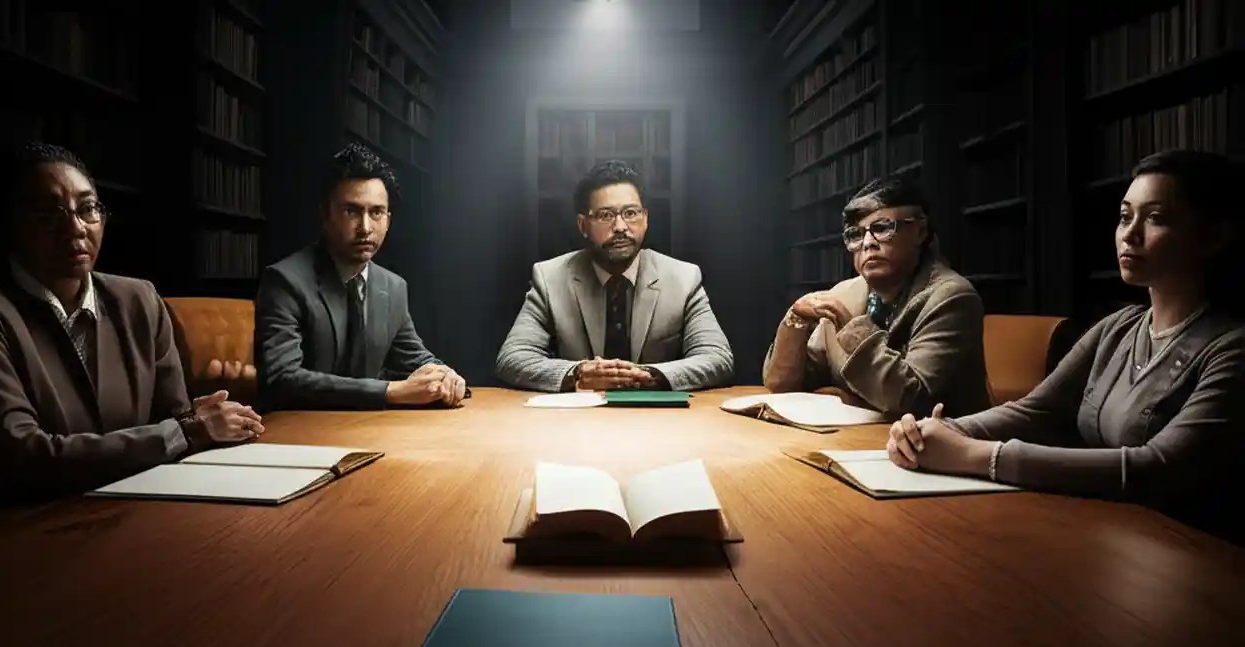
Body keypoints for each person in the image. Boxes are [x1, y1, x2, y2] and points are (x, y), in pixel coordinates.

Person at [887, 150, 1245, 542]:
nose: (1130, 233)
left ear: (1213, 236)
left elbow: (1159, 469)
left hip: (1189, 554)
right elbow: (1036, 410)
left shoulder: (1230, 349)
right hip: (1103, 532)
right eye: (1125, 217)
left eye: (1155, 218)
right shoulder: (1119, 327)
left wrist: (979, 456)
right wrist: (936, 430)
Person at [0, 142, 262, 501]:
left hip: (139, 507)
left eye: (88, 208)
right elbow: (23, 456)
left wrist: (215, 412)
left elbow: (176, 420)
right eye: (48, 213)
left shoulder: (139, 299)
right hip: (27, 526)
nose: (75, 228)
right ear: (10, 222)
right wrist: (184, 432)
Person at [256, 143, 466, 410]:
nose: (365, 228)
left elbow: (413, 357)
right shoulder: (285, 281)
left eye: (376, 212)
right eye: (351, 211)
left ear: (388, 219)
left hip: (368, 429)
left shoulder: (393, 286)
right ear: (325, 215)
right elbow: (281, 379)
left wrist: (446, 375)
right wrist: (390, 391)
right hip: (300, 433)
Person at [496, 160, 734, 392]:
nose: (620, 226)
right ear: (583, 225)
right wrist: (578, 373)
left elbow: (717, 357)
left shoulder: (683, 278)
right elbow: (513, 358)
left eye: (631, 213)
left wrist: (648, 376)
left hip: (660, 422)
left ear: (646, 218)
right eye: (605, 215)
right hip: (575, 424)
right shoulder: (550, 278)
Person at [762, 177, 989, 417]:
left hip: (938, 447)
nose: (868, 243)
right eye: (856, 235)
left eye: (882, 228)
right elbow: (783, 385)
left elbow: (911, 401)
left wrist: (854, 332)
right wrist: (796, 322)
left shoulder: (951, 297)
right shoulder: (844, 294)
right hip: (854, 440)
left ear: (920, 231)